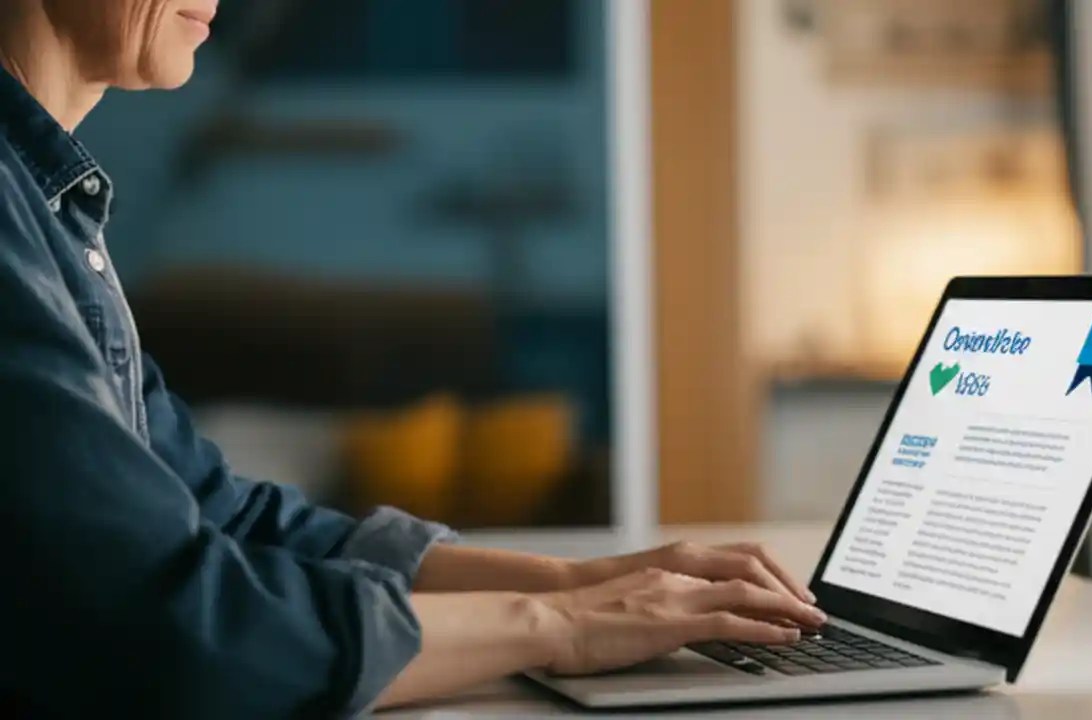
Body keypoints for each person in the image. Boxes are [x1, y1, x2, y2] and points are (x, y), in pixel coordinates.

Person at [0, 2, 825, 716]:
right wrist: (561, 628)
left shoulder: (47, 210)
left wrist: (583, 585)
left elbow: (223, 515)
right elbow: (180, 630)